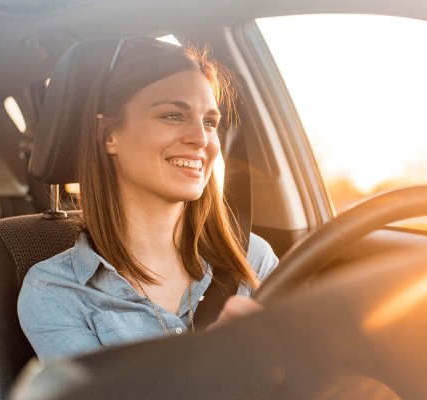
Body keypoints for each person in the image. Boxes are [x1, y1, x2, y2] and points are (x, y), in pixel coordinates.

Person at [17, 37, 278, 361]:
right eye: (172, 115)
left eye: (210, 122)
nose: (201, 139)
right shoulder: (55, 290)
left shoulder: (252, 259)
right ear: (109, 135)